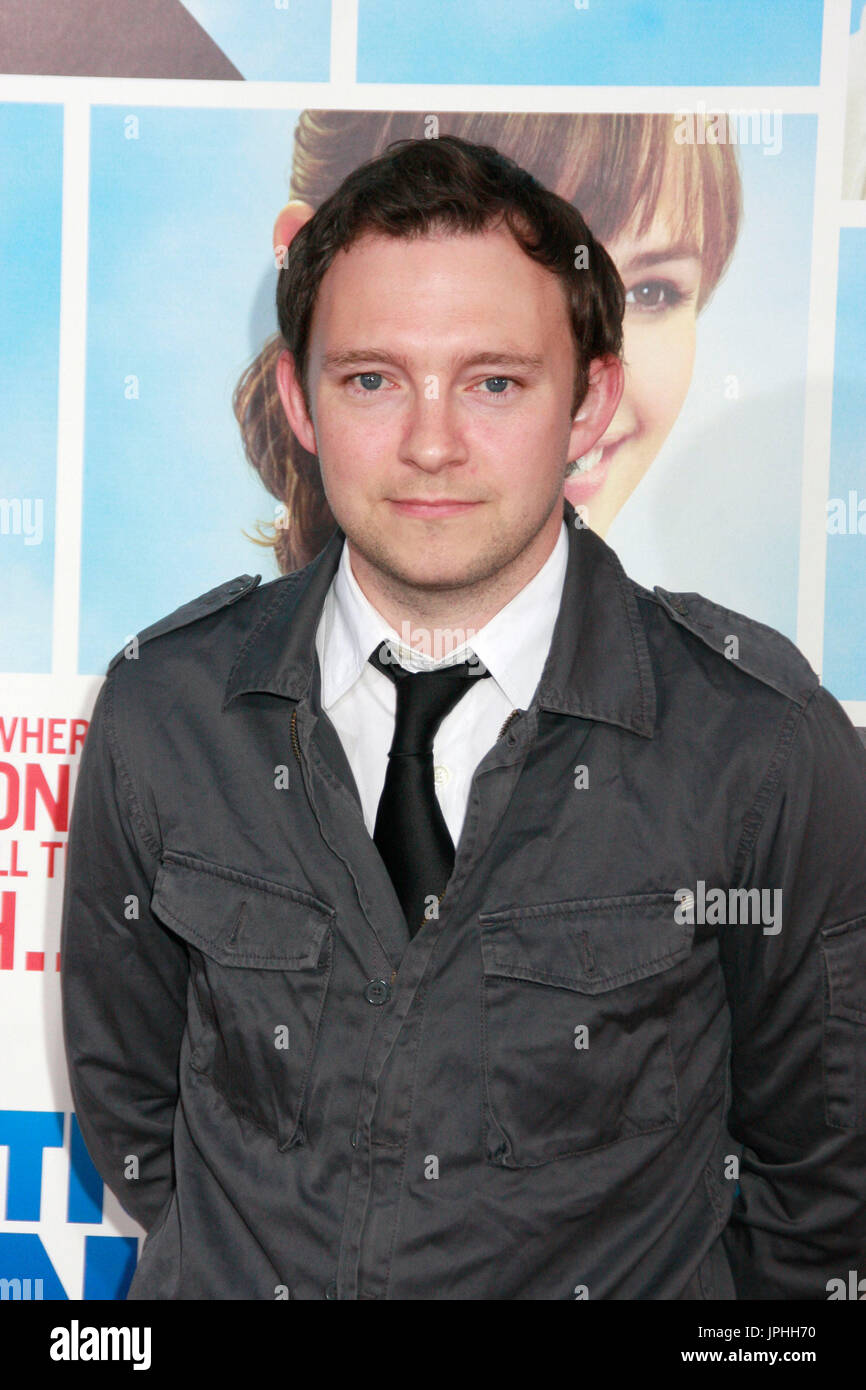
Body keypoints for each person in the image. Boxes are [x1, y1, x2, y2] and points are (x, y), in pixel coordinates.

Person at [61, 134, 866, 1300]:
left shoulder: (754, 739)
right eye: (371, 378)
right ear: (299, 398)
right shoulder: (165, 706)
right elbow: (140, 1124)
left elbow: (822, 1200)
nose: (430, 442)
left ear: (586, 401)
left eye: (493, 381)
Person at [234, 110, 741, 570]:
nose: (433, 447)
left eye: (650, 292)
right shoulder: (178, 668)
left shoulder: (726, 671)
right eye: (372, 378)